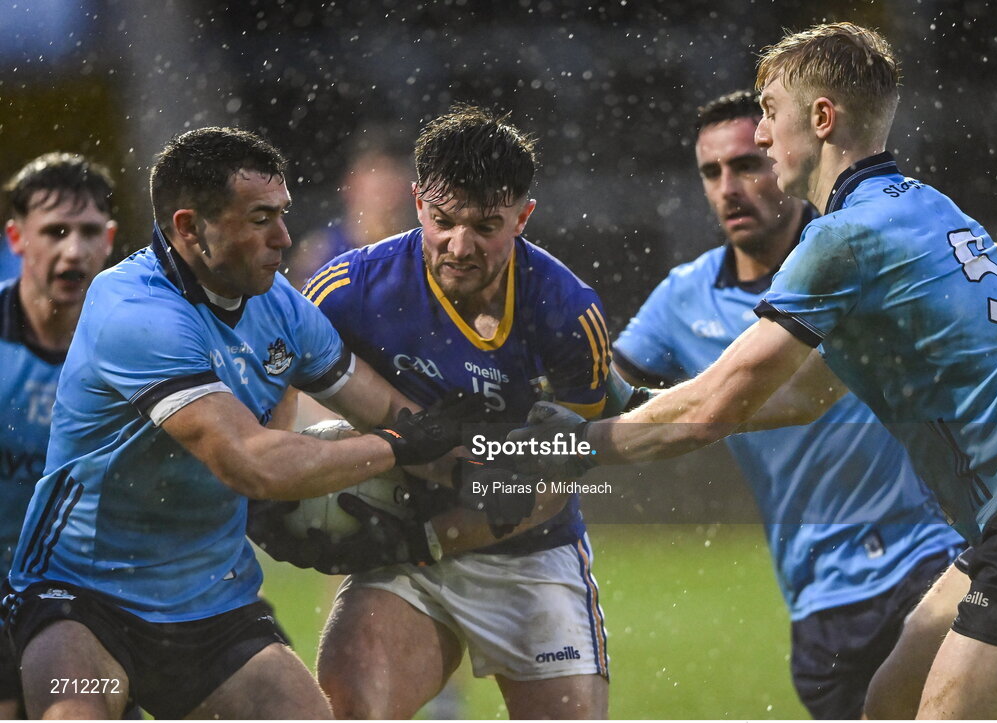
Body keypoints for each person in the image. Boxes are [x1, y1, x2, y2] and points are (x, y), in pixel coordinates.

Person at [513, 23, 997, 719]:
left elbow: (718, 405)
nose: (758, 134)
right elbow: (803, 397)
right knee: (888, 703)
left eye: (769, 111)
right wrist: (642, 405)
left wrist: (577, 446)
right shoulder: (927, 207)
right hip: (994, 525)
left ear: (821, 119)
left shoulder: (841, 238)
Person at [0, 127, 479, 720]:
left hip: (212, 606)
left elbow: (386, 408)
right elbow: (251, 461)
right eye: (259, 219)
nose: (282, 236)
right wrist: (399, 446)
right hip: (84, 599)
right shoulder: (135, 310)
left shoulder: (280, 305)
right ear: (188, 227)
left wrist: (489, 463)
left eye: (282, 215)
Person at [612, 90, 964, 719]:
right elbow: (599, 392)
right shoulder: (683, 298)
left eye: (748, 163)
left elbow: (985, 266)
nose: (730, 187)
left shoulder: (860, 243)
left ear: (786, 152)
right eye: (711, 172)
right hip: (820, 598)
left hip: (930, 558)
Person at [307, 105, 611, 719]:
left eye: (486, 226)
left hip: (529, 553)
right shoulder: (345, 291)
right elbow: (287, 410)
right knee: (347, 704)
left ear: (524, 217)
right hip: (401, 550)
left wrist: (439, 533)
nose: (459, 245)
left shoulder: (568, 315)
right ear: (418, 201)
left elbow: (555, 483)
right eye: (442, 221)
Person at [0, 153, 117, 719]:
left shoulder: (142, 346)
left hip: (94, 592)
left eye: (89, 231)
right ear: (17, 237)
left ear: (112, 239)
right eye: (55, 232)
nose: (74, 251)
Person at [285, 130, 416, 289]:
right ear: (350, 183)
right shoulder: (321, 251)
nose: (386, 181)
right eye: (374, 169)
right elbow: (299, 310)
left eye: (394, 169)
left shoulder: (423, 249)